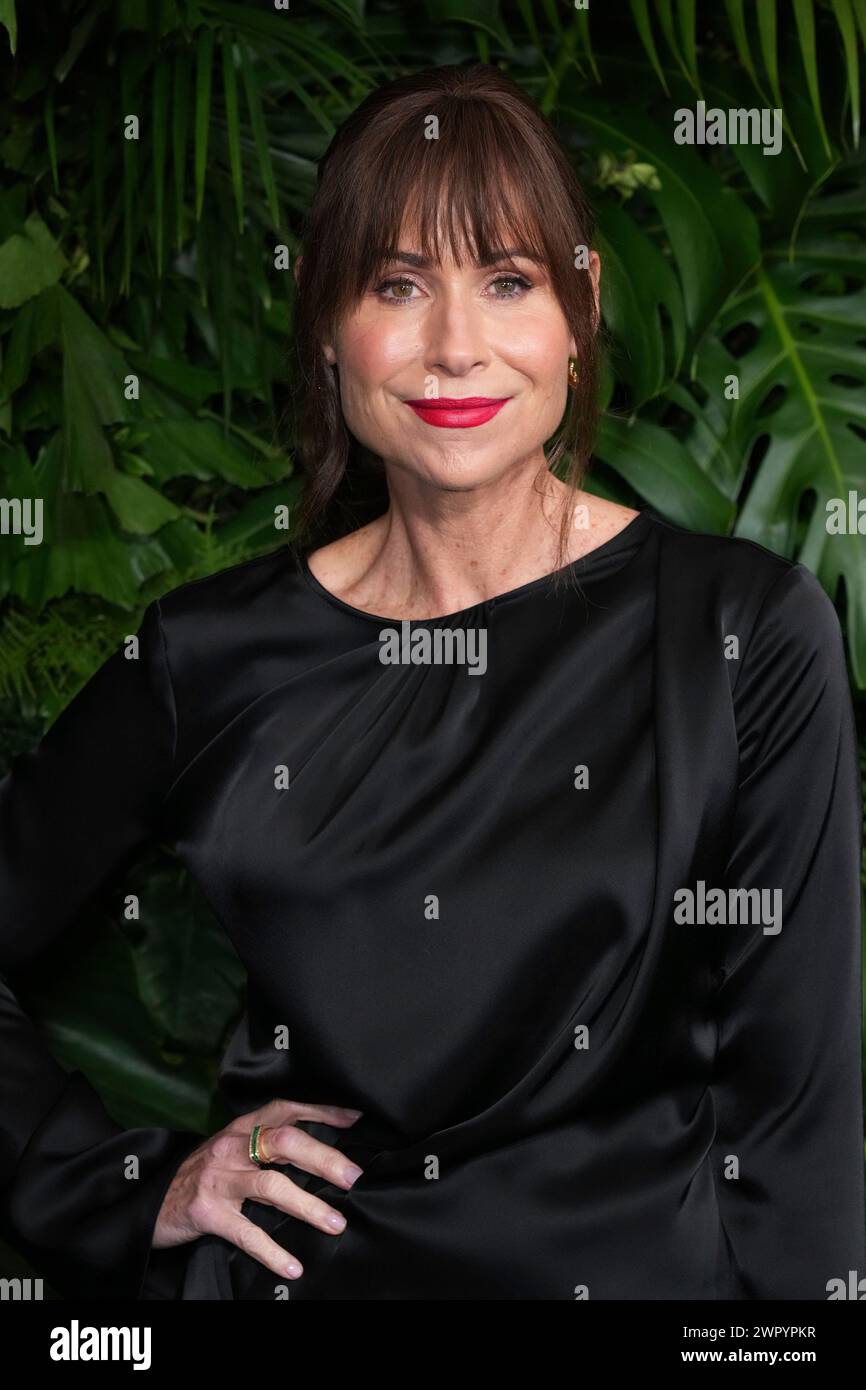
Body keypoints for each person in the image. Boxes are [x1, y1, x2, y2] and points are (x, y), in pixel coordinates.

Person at [1, 63, 863, 1302]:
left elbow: (794, 1123)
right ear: (324, 326)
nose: (454, 345)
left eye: (506, 281)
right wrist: (120, 1189)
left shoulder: (740, 632)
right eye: (397, 285)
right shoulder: (207, 657)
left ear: (579, 313)